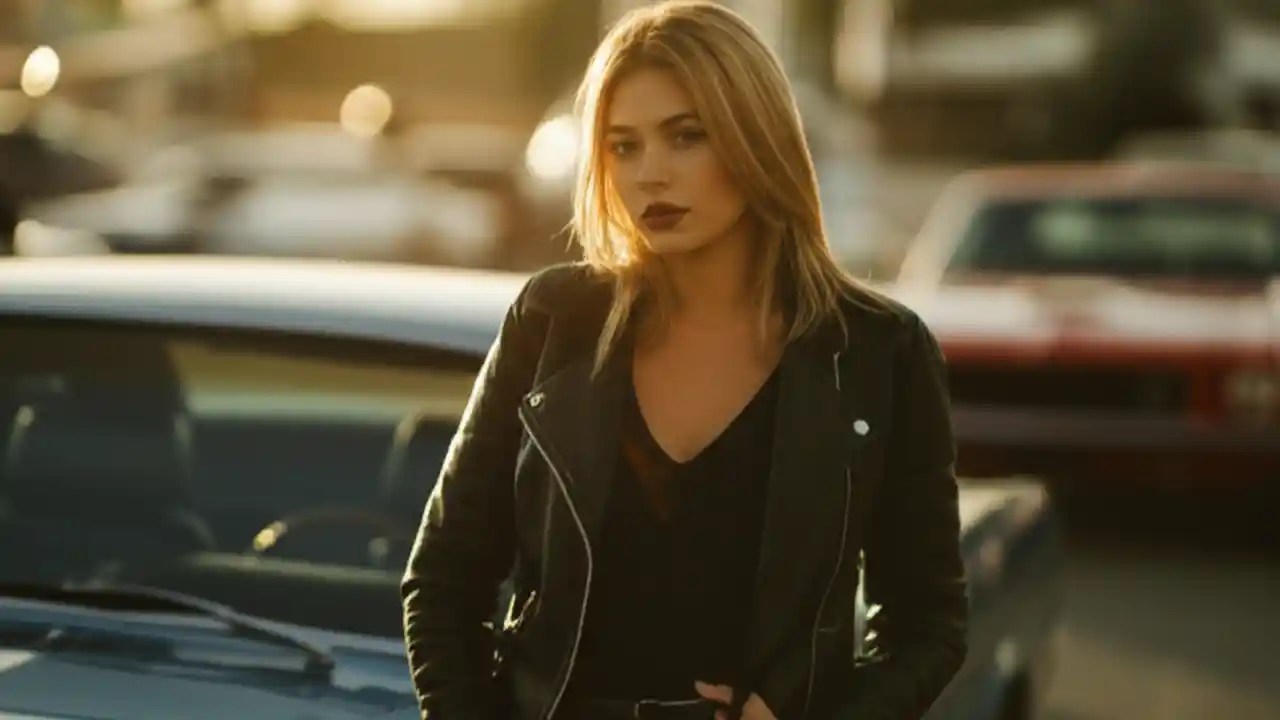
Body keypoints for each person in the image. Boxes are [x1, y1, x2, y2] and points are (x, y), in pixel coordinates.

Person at [400, 2, 967, 719]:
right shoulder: (556, 320)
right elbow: (444, 580)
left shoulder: (877, 351)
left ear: (755, 137)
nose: (650, 176)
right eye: (622, 147)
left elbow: (927, 625)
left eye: (686, 137)